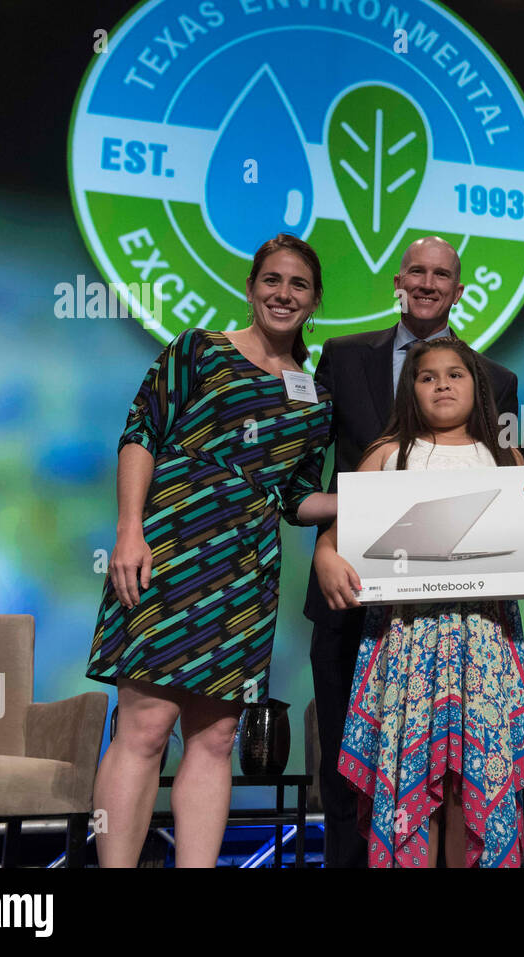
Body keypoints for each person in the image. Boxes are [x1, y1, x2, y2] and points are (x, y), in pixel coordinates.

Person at [87, 234, 338, 867]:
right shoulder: (199, 348)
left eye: (299, 285)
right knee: (146, 728)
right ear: (251, 287)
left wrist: (374, 504)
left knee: (218, 736)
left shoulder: (316, 398)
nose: (284, 294)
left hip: (246, 570)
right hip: (169, 547)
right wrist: (129, 529)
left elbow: (299, 498)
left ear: (315, 301)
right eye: (272, 280)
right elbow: (141, 431)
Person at [303, 236, 519, 867]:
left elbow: (515, 516)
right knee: (359, 773)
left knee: (464, 782)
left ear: (458, 289)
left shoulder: (497, 381)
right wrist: (324, 548)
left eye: (441, 275)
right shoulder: (342, 357)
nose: (428, 283)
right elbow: (308, 464)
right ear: (398, 281)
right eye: (417, 272)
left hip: (475, 632)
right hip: (367, 610)